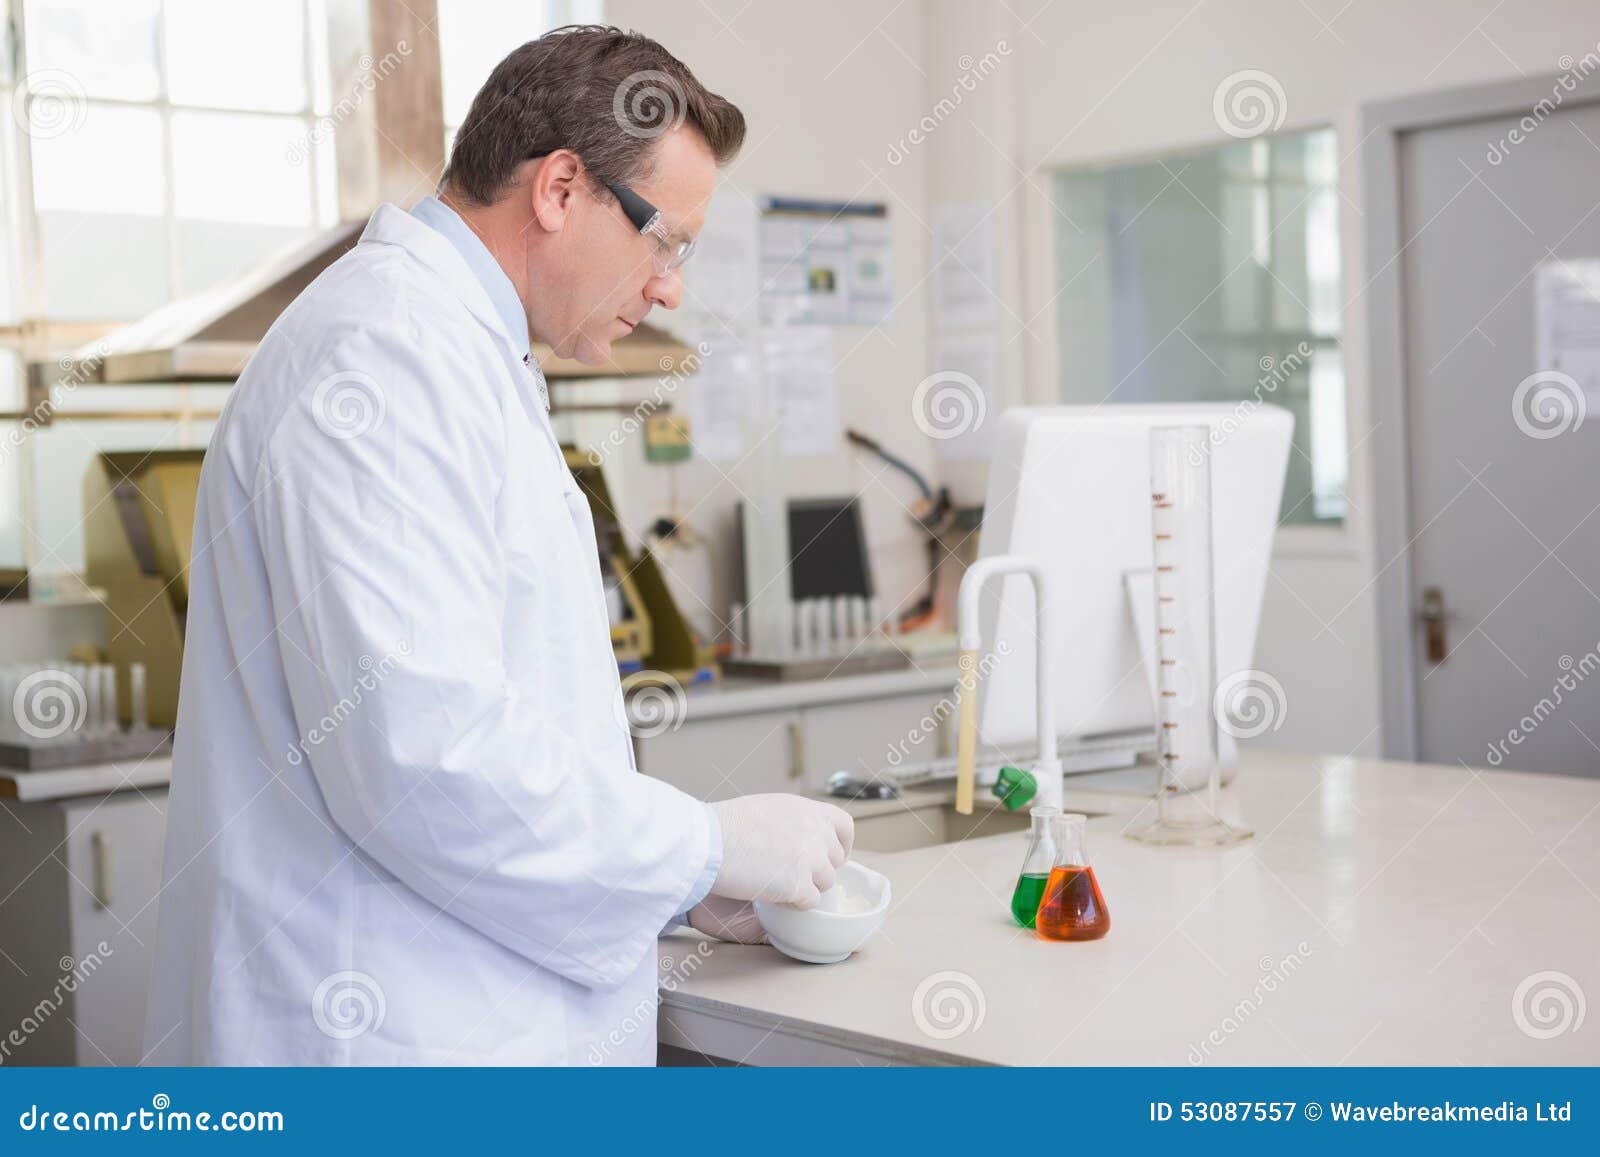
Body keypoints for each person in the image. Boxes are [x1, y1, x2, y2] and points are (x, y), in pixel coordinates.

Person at [143, 26, 853, 1066]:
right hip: (382, 1035)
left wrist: (676, 883)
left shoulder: (460, 353)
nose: (670, 288)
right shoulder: (380, 357)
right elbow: (427, 758)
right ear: (562, 188)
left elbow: (504, 724)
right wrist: (704, 844)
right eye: (668, 241)